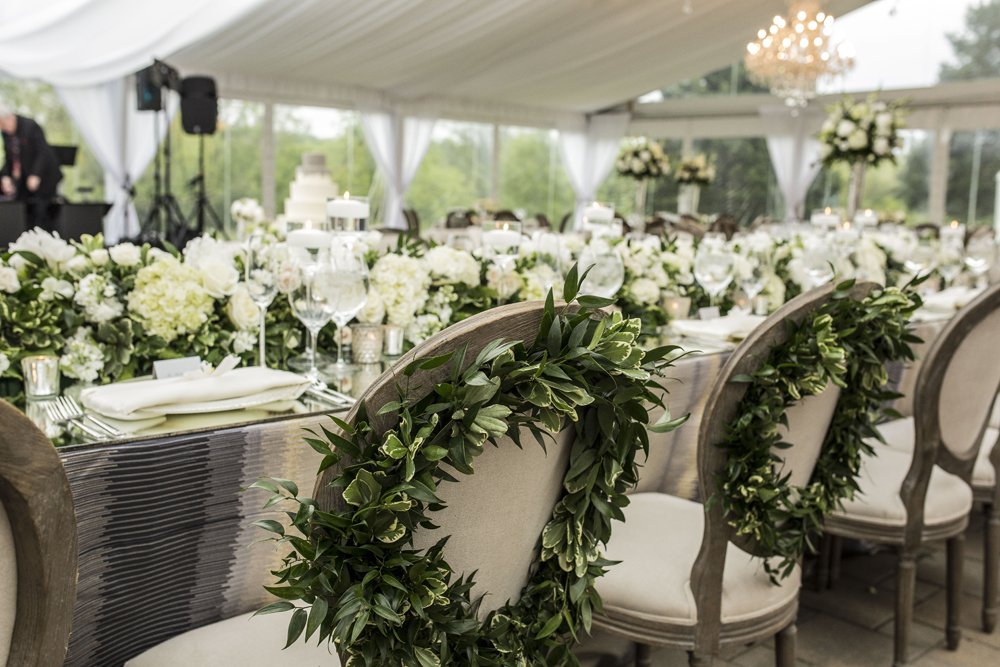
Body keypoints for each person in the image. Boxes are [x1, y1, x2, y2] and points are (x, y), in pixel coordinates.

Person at [0, 101, 62, 232]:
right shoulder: (6, 133)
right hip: (25, 177)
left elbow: (42, 152)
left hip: (45, 176)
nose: (2, 128)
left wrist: (35, 174)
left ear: (9, 117)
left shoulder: (30, 126)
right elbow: (9, 158)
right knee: (23, 210)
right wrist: (5, 176)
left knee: (42, 211)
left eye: (2, 124)